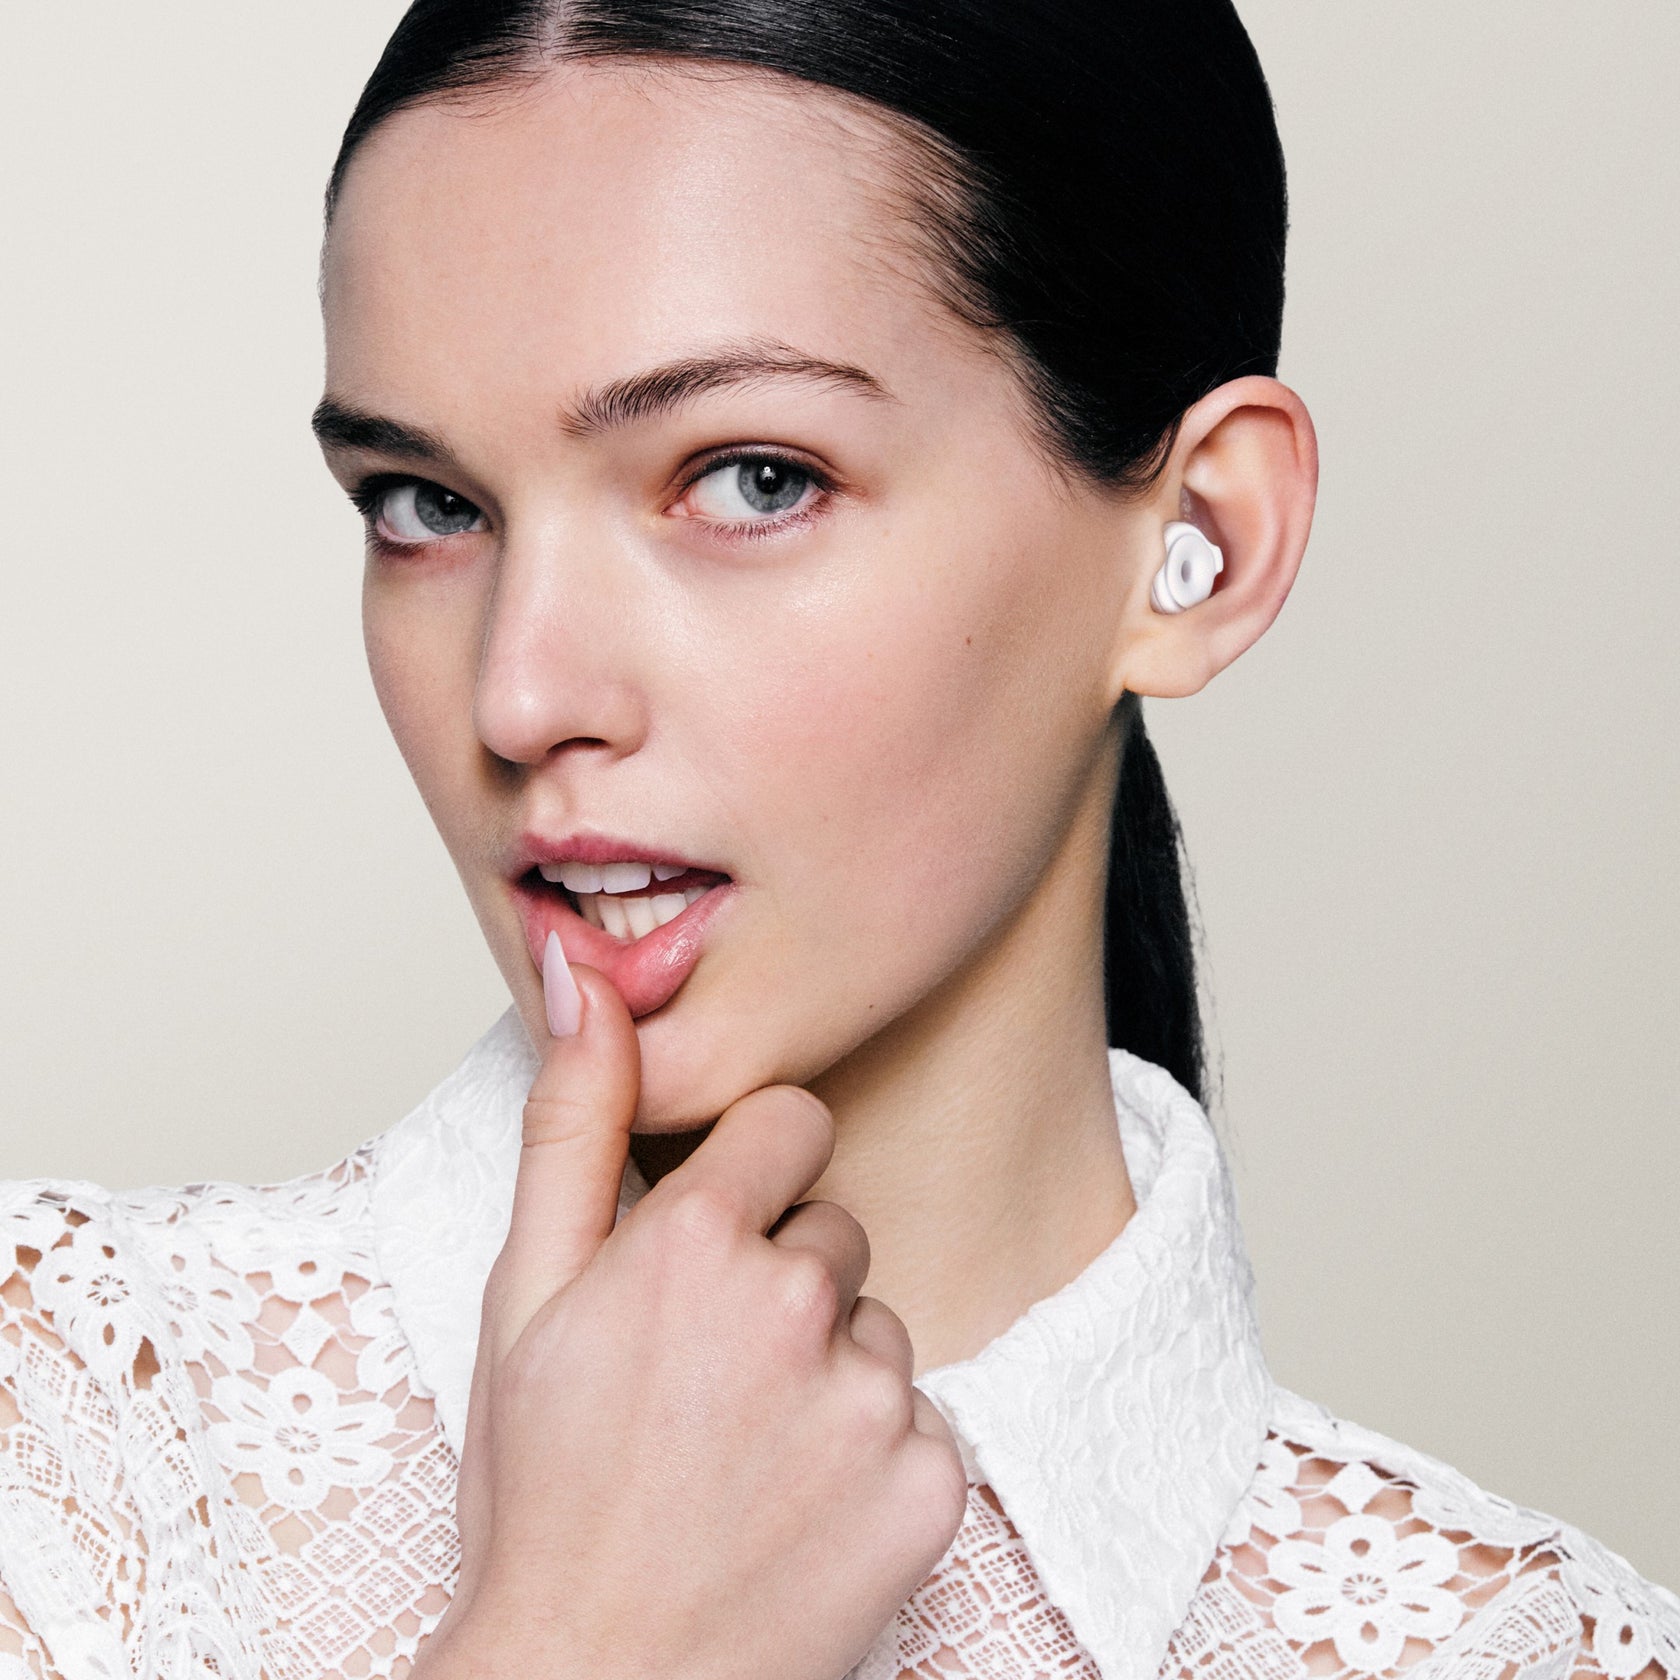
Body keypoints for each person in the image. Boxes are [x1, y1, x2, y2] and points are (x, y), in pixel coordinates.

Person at [1, 2, 1674, 1678]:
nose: (521, 694)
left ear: (1203, 543)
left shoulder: (1535, 1656)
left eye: (750, 479)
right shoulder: (60, 1439)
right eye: (426, 505)